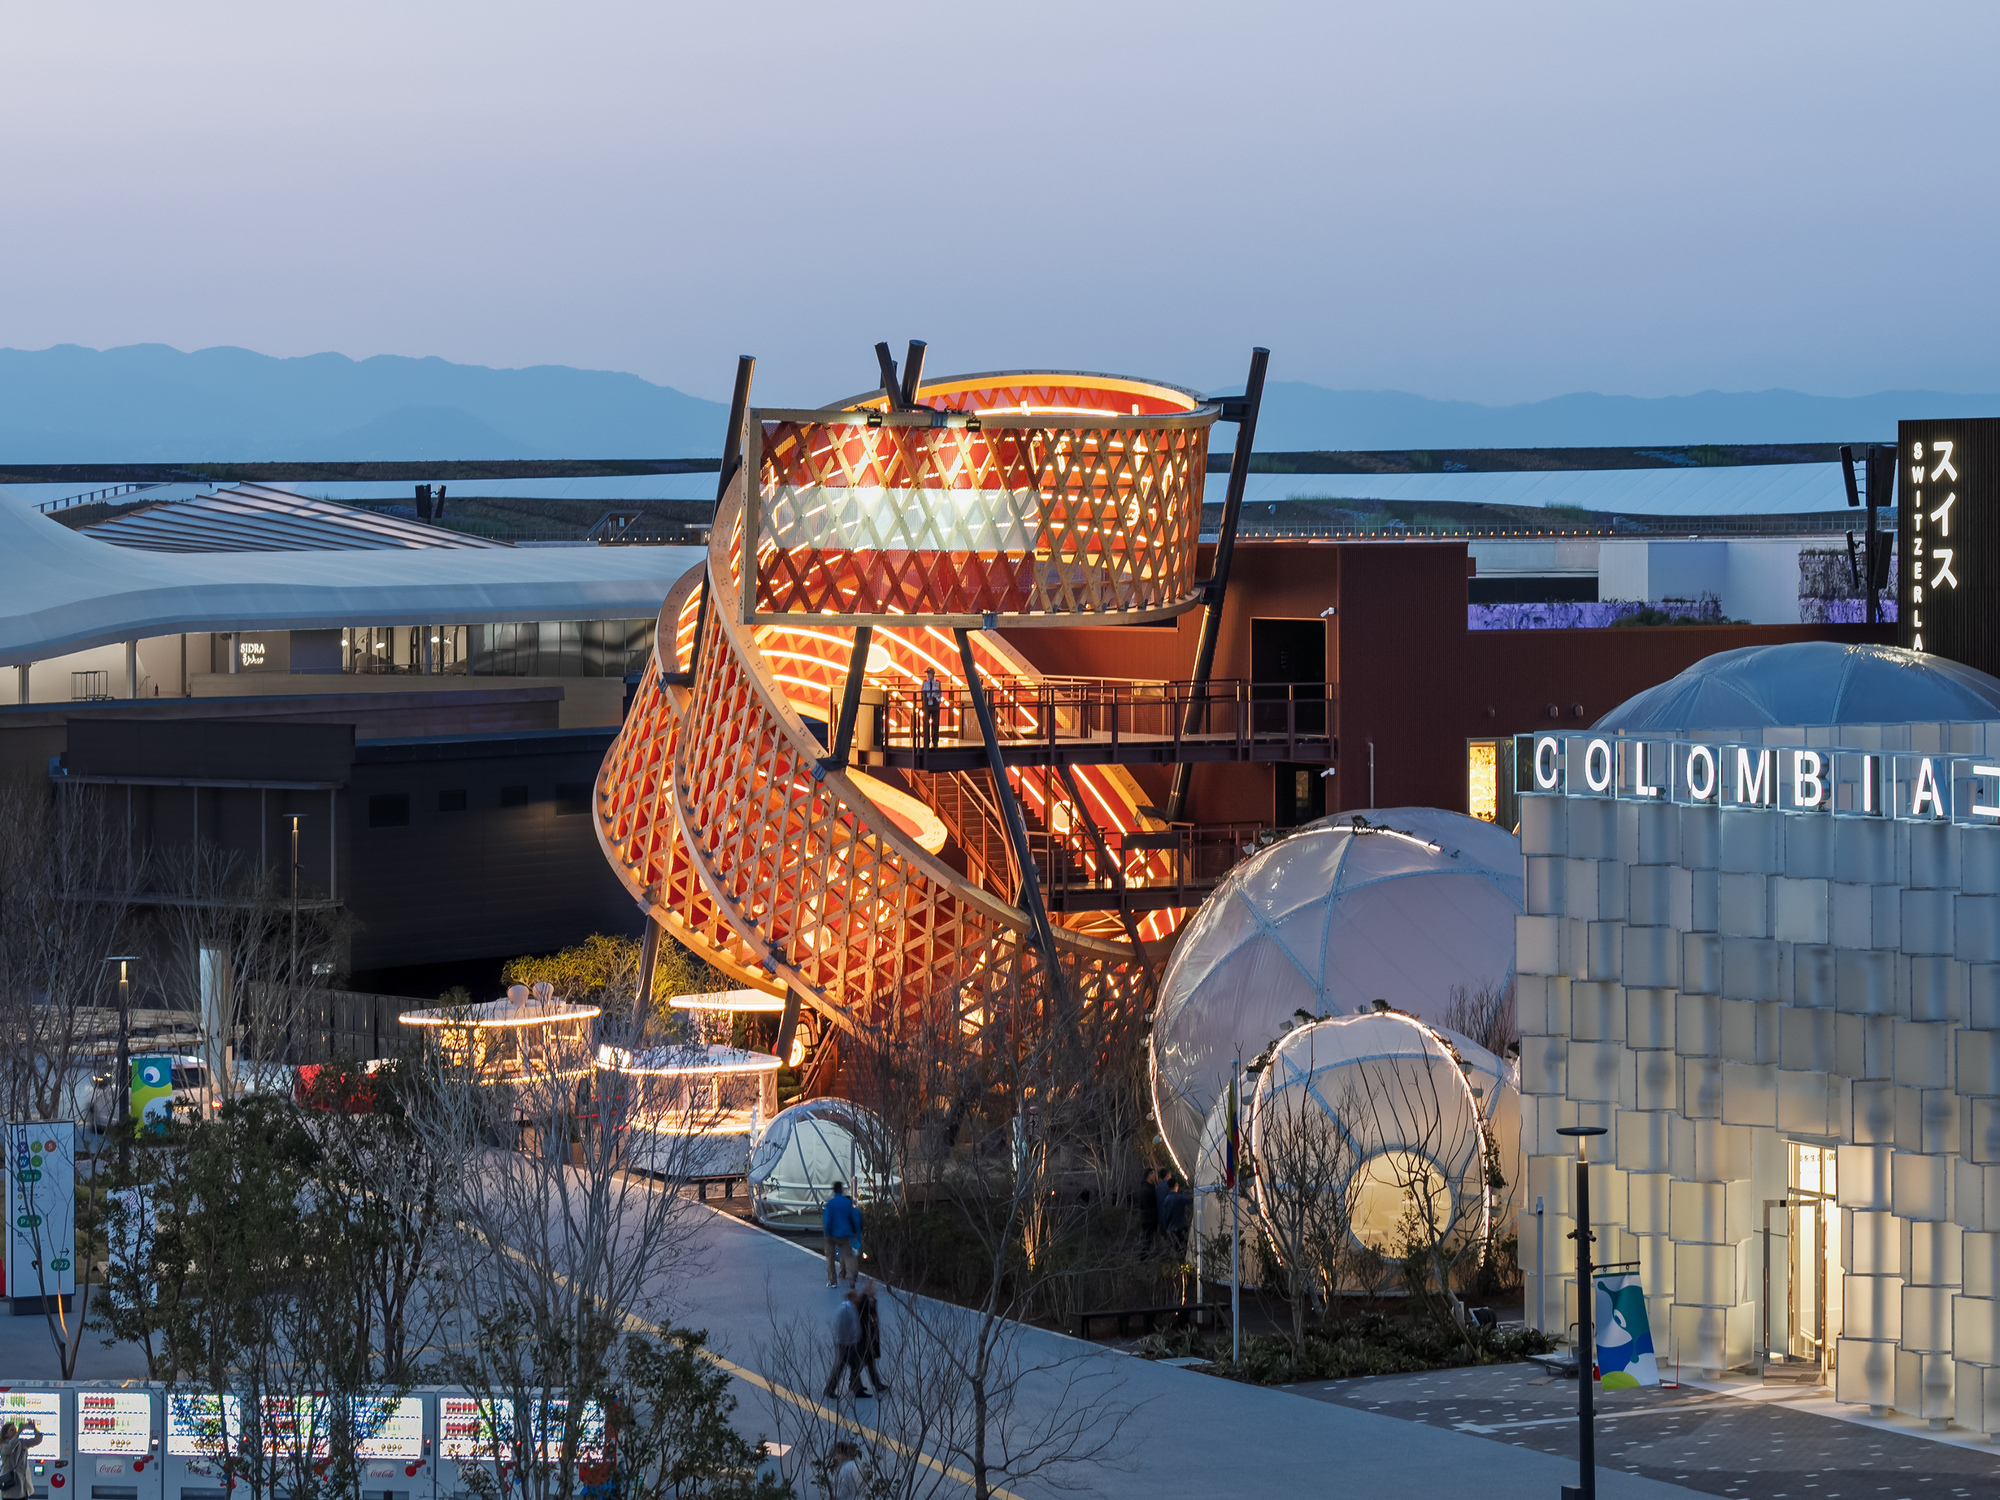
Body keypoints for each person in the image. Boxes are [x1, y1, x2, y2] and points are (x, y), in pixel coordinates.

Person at [822, 1288, 871, 1400]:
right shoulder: (848, 1309)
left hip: (845, 1342)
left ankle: (856, 1388)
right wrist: (854, 1339)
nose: (858, 1297)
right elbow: (850, 1326)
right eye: (855, 1295)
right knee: (845, 1366)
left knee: (853, 1365)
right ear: (851, 1297)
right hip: (846, 1344)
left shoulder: (846, 1307)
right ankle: (832, 1389)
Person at [823, 1181, 862, 1287]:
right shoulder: (847, 1202)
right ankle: (852, 1278)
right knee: (849, 1256)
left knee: (830, 1257)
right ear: (841, 1189)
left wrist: (828, 1233)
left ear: (834, 1190)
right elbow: (852, 1217)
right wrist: (854, 1231)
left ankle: (832, 1281)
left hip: (832, 1234)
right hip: (845, 1234)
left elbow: (828, 1220)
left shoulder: (831, 1203)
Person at [856, 1276, 890, 1393]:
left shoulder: (871, 1302)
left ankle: (875, 1383)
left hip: (870, 1338)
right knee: (866, 1361)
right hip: (865, 1339)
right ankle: (856, 1380)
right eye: (874, 1289)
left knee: (869, 1362)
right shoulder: (864, 1304)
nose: (876, 1292)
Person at [0, 1419, 43, 1499]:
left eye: (15, 1430)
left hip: (24, 1487)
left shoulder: (21, 1443)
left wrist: (34, 1428)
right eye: (12, 1430)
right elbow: (10, 1448)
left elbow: (37, 1440)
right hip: (12, 1488)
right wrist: (19, 1432)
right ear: (6, 1434)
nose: (15, 1432)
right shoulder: (3, 1445)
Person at [1137, 1166, 1161, 1256]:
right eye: (1153, 1174)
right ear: (1149, 1175)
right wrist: (1152, 1213)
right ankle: (1143, 1257)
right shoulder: (1146, 1188)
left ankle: (1147, 1256)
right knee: (1148, 1239)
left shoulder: (1149, 1187)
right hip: (1148, 1218)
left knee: (1149, 1239)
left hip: (1149, 1218)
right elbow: (1144, 1204)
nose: (1154, 1176)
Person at [920, 667, 943, 749]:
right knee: (926, 723)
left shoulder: (937, 683)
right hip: (927, 704)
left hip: (935, 703)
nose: (928, 675)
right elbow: (922, 694)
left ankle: (935, 741)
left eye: (929, 674)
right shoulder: (925, 683)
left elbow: (939, 693)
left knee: (935, 723)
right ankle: (926, 740)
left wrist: (935, 698)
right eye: (928, 674)